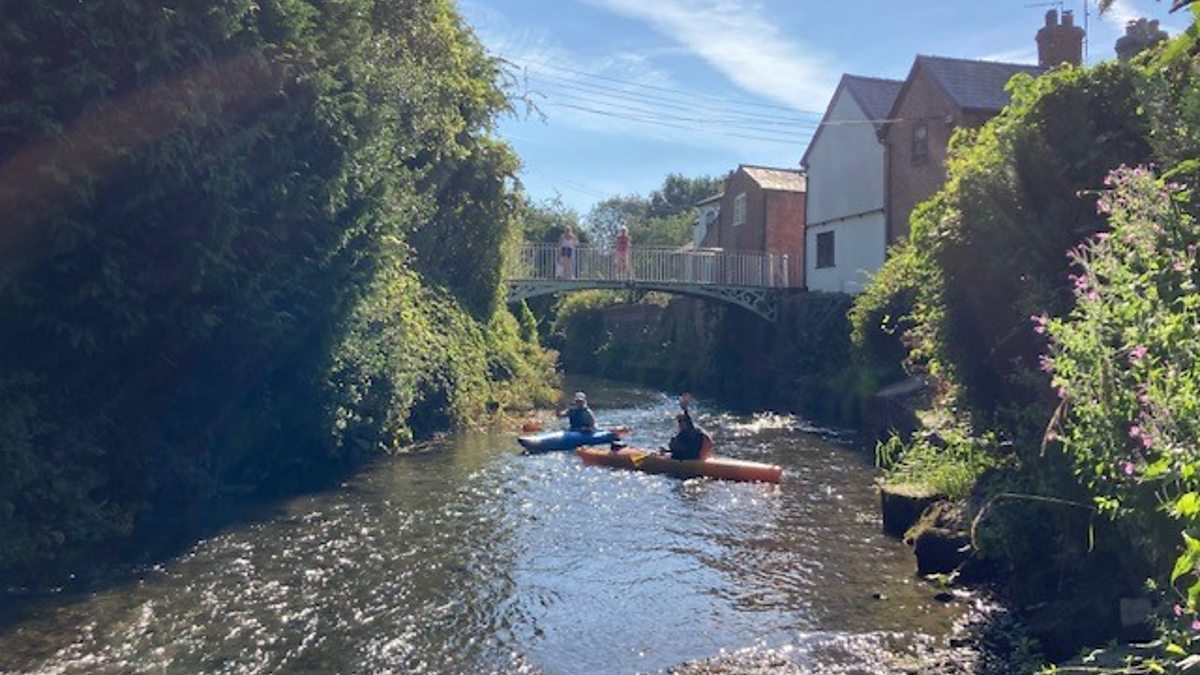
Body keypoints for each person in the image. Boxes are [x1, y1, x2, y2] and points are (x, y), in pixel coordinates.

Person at [666, 394, 712, 461]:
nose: (679, 424)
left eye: (681, 421)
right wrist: (667, 451)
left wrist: (685, 409)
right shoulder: (684, 434)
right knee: (674, 441)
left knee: (675, 442)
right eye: (679, 421)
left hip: (699, 452)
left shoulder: (691, 430)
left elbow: (689, 423)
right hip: (695, 451)